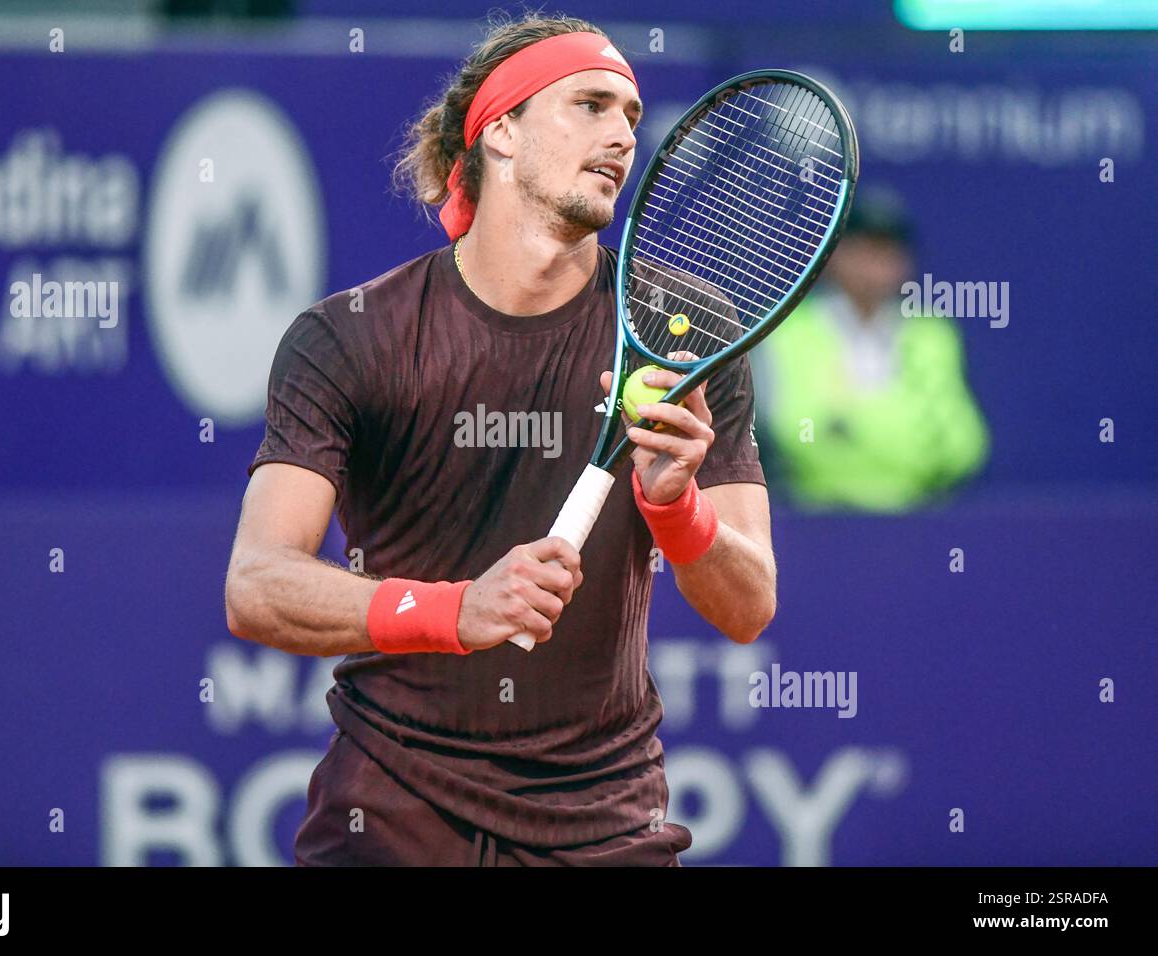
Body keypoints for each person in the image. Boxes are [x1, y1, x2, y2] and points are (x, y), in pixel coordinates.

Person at [224, 13, 776, 867]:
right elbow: (256, 585)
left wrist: (677, 509)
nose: (623, 135)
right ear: (502, 131)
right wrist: (455, 611)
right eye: (591, 105)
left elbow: (748, 607)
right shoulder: (351, 338)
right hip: (392, 819)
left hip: (605, 827)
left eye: (631, 116)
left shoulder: (691, 331)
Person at [752, 188, 990, 512]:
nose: (876, 265)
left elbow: (964, 446)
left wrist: (849, 430)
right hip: (812, 522)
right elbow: (796, 434)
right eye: (864, 250)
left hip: (917, 521)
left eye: (888, 252)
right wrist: (902, 437)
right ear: (834, 255)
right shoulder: (786, 330)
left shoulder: (933, 334)